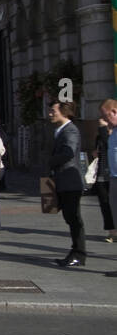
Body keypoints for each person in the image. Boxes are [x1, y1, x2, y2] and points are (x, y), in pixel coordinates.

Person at [47, 101, 85, 267]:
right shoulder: (59, 130)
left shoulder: (71, 130)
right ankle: (76, 251)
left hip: (70, 181)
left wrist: (51, 161)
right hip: (62, 180)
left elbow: (69, 152)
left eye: (53, 111)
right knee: (69, 217)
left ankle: (79, 253)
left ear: (64, 112)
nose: (50, 114)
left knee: (74, 218)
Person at [101, 99, 117, 277]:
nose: (105, 120)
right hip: (114, 178)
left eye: (106, 116)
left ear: (114, 111)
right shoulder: (113, 132)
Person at [94, 112, 113, 244]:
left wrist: (103, 129)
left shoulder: (114, 133)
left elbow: (109, 145)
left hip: (113, 174)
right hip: (102, 173)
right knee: (105, 204)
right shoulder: (100, 134)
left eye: (105, 116)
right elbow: (100, 148)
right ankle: (112, 231)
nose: (101, 119)